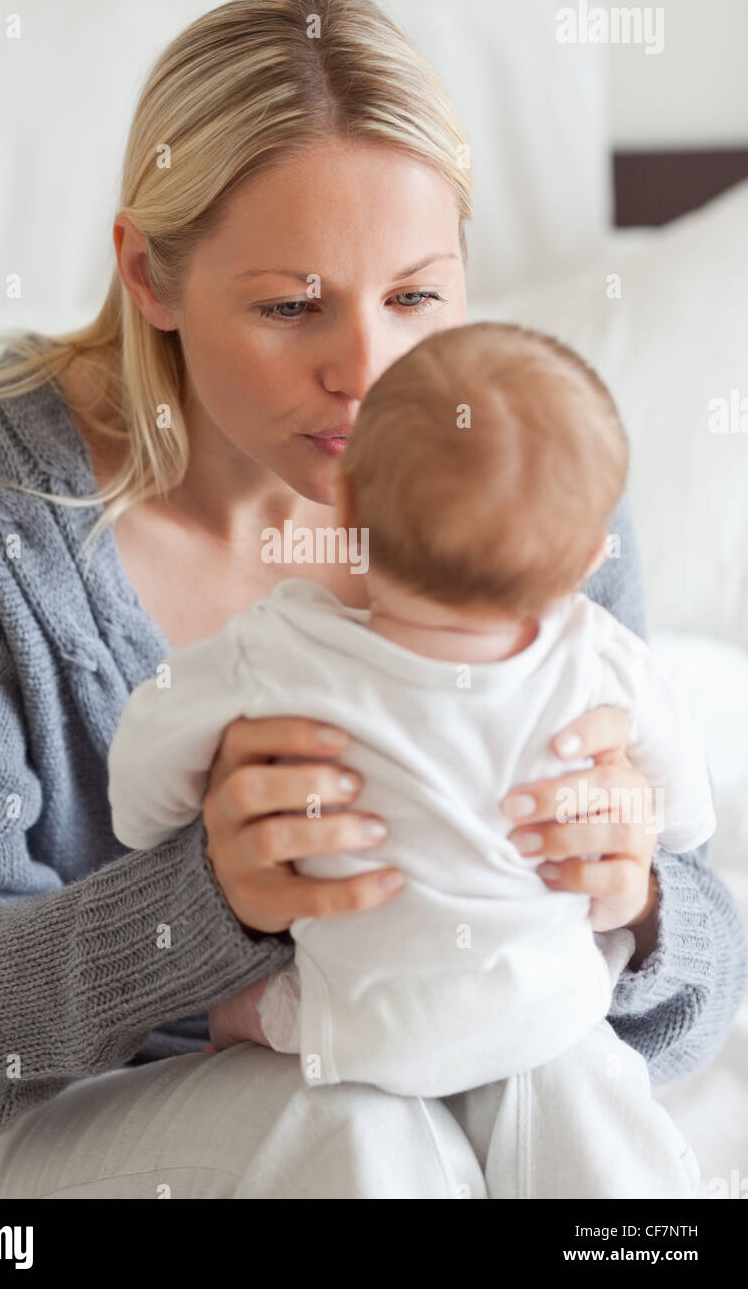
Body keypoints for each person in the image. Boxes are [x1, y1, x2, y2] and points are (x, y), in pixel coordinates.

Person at [0, 0, 744, 1200]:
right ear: (149, 275)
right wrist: (201, 903)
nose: (368, 374)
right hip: (45, 1118)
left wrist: (640, 901)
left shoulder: (517, 469)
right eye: (291, 306)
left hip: (410, 1051)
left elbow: (695, 969)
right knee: (359, 1133)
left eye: (414, 296)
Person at [106, 322, 712, 1197]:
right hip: (550, 1009)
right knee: (603, 1120)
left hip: (363, 1029)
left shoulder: (282, 648)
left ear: (345, 512)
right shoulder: (598, 657)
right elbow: (686, 812)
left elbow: (141, 770)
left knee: (259, 1015)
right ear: (587, 559)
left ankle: (255, 1019)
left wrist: (157, 817)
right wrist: (648, 845)